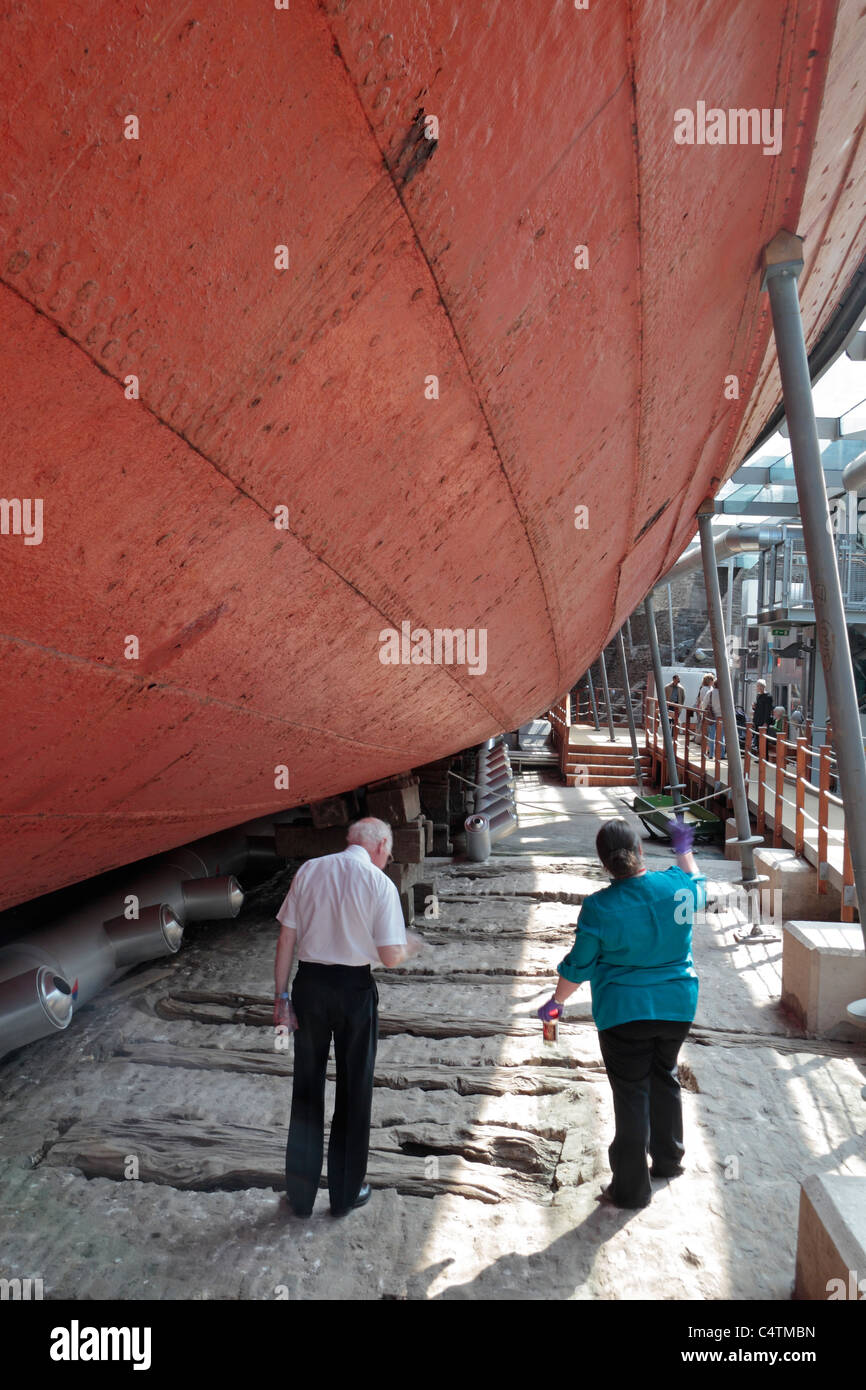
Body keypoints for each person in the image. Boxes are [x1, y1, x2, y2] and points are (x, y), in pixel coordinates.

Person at [537, 817, 705, 1210]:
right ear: (641, 850)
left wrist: (556, 1002)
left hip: (624, 1013)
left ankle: (631, 1189)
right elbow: (698, 885)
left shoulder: (599, 907)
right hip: (677, 1007)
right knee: (664, 1075)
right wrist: (683, 848)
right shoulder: (677, 888)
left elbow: (580, 964)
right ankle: (668, 1159)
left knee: (631, 1093)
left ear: (603, 863)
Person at [274, 816, 424, 1218]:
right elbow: (390, 957)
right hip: (354, 991)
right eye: (388, 854)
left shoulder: (310, 870)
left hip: (309, 987)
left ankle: (300, 1196)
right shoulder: (379, 884)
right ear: (378, 847)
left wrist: (281, 998)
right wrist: (410, 946)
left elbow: (286, 937)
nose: (387, 860)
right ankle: (344, 1194)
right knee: (355, 1091)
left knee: (307, 1088)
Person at [751, 680, 774, 750]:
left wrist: (765, 722)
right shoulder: (758, 695)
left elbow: (768, 711)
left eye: (758, 686)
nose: (757, 688)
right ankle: (759, 756)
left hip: (763, 721)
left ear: (762, 687)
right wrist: (754, 707)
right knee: (758, 739)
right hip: (757, 720)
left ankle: (764, 757)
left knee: (763, 739)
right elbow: (758, 708)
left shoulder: (768, 697)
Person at [706, 678, 725, 758]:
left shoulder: (710, 693)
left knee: (711, 736)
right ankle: (722, 754)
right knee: (721, 736)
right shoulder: (725, 693)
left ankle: (711, 754)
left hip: (712, 717)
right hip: (722, 717)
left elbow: (704, 704)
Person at [694, 674, 714, 743]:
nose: (713, 681)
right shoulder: (705, 689)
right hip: (706, 709)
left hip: (705, 709)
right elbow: (703, 700)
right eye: (712, 679)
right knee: (703, 726)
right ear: (709, 680)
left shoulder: (709, 688)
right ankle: (700, 740)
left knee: (703, 725)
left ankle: (700, 740)